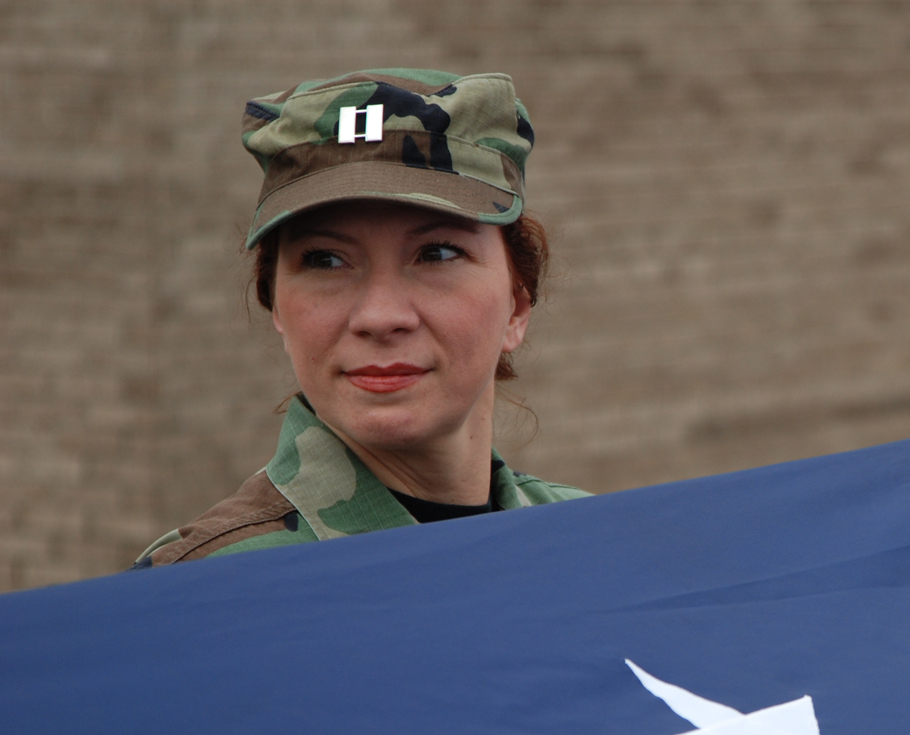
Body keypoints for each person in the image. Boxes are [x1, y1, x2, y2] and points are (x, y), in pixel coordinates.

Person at [136, 68, 588, 568]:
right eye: (326, 260)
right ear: (276, 304)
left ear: (517, 305)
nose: (380, 316)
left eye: (436, 253)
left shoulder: (596, 549)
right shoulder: (197, 590)